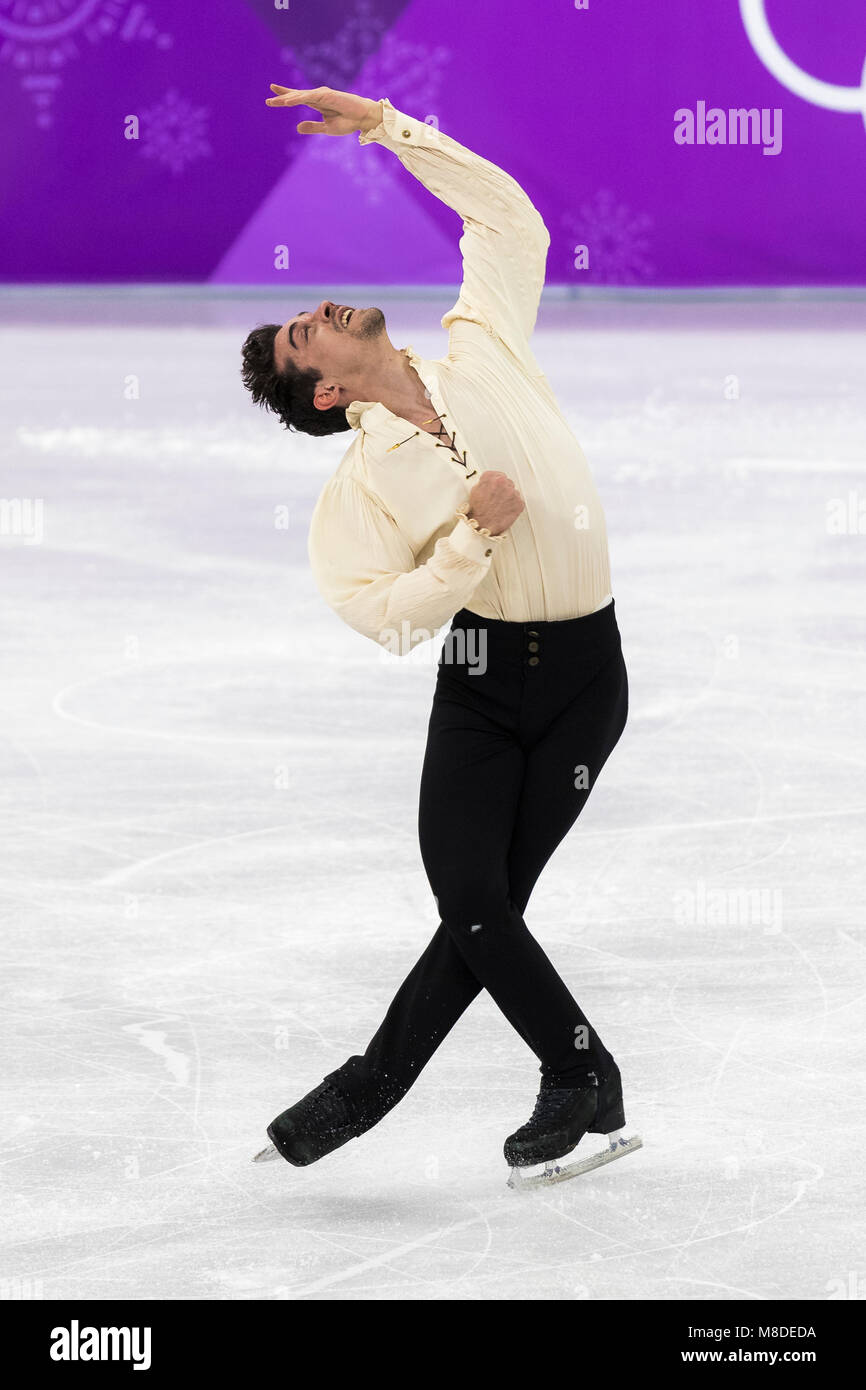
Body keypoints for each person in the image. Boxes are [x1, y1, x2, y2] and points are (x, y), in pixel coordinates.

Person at [241, 86, 631, 1175]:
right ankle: (576, 1072)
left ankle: (376, 1091)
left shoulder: (480, 342)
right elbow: (378, 612)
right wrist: (466, 548)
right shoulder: (362, 483)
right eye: (299, 333)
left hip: (586, 677)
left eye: (306, 307)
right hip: (479, 682)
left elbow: (509, 222)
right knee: (472, 900)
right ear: (321, 391)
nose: (316, 307)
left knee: (483, 913)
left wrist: (387, 126)